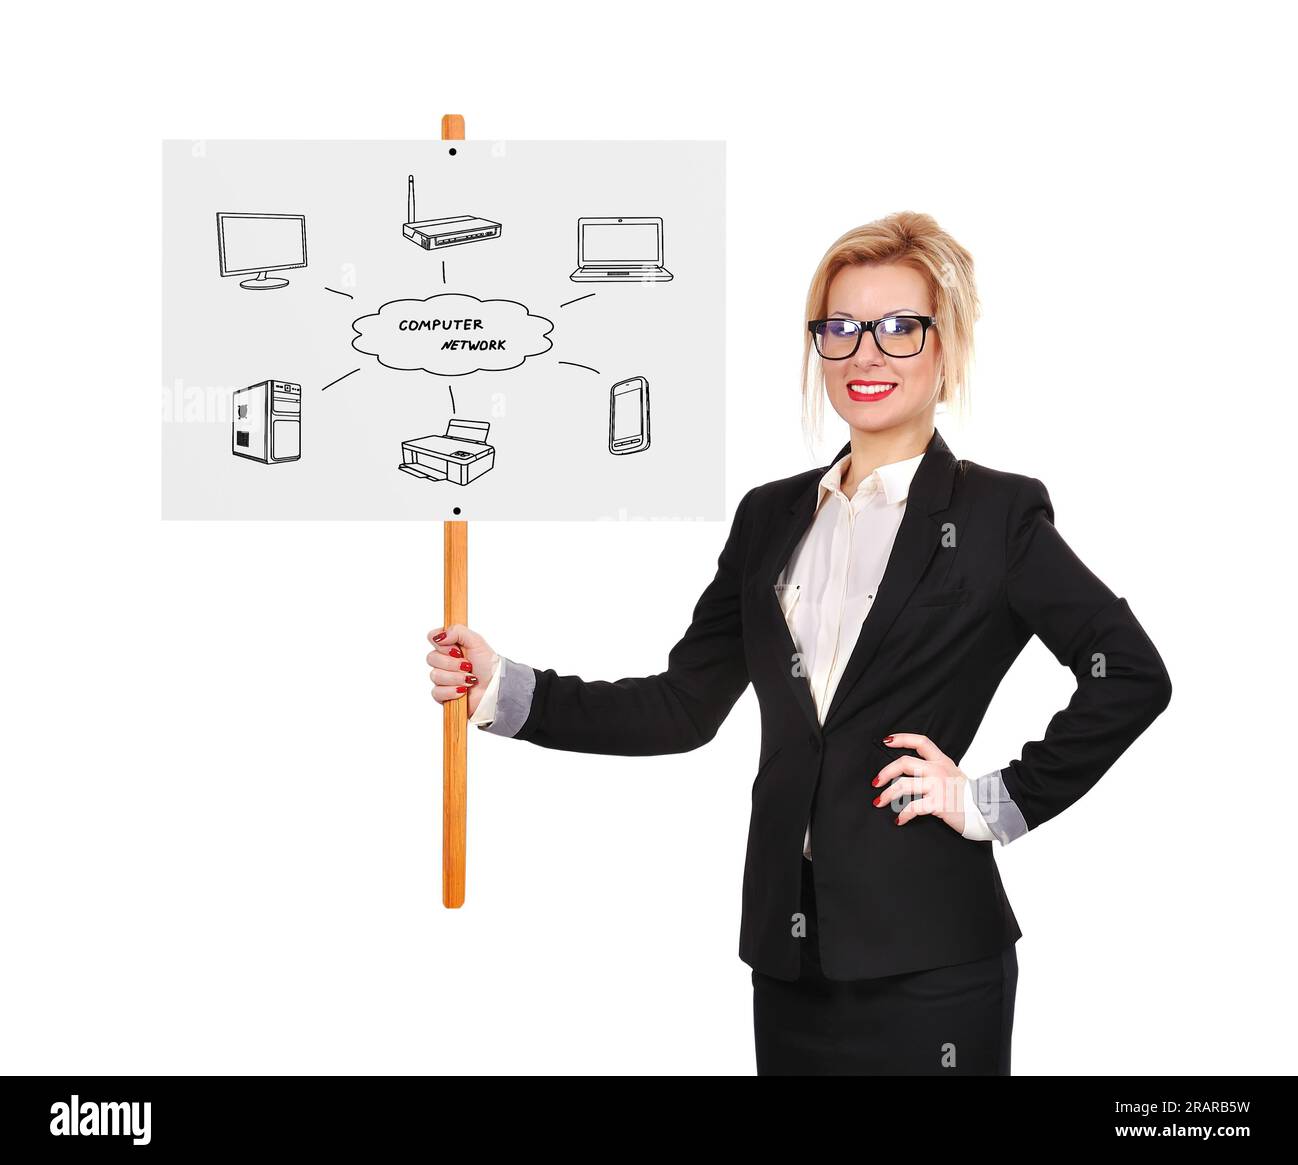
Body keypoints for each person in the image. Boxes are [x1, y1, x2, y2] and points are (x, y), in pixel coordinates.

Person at [425, 211, 1172, 1075]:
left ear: (946, 346)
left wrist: (989, 801)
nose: (866, 354)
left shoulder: (997, 516)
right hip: (789, 959)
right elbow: (682, 706)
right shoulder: (770, 516)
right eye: (841, 327)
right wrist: (503, 687)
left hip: (933, 965)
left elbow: (1131, 674)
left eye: (900, 328)